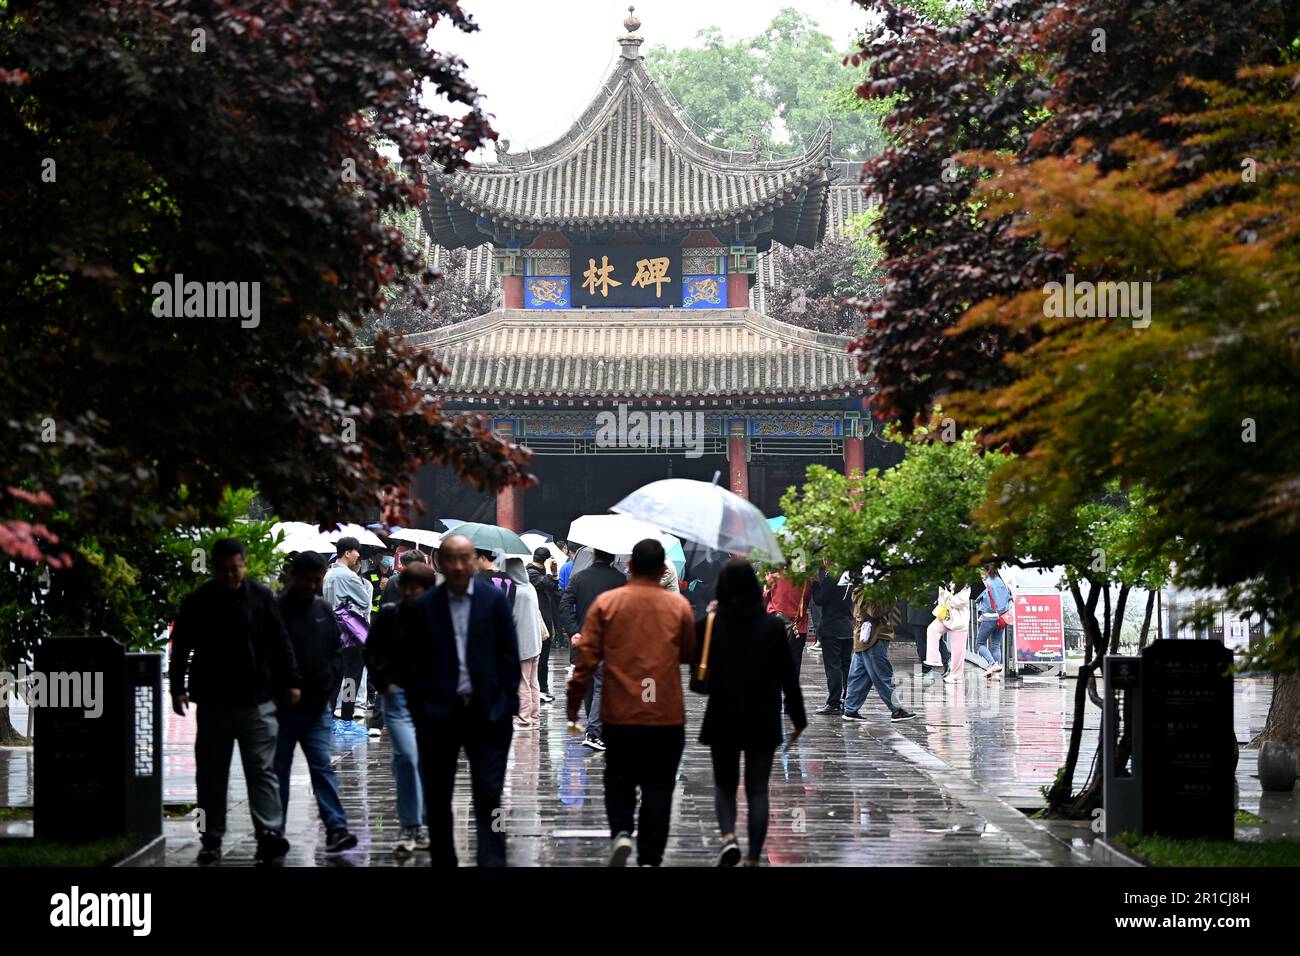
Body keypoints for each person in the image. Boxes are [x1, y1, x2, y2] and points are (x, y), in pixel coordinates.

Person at [169, 538, 302, 865]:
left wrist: (291, 681)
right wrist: (177, 689)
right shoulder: (199, 602)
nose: (231, 574)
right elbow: (182, 646)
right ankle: (210, 837)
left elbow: (280, 640)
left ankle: (269, 833)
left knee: (262, 770)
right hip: (214, 702)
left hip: (256, 700)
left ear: (244, 564)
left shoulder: (260, 597)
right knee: (211, 775)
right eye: (225, 569)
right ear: (214, 568)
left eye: (236, 567)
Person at [566, 538, 696, 867]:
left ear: (631, 567)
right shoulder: (678, 607)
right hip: (665, 712)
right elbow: (688, 653)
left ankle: (622, 830)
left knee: (619, 776)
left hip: (619, 709)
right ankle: (650, 856)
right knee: (659, 785)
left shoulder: (608, 604)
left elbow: (586, 660)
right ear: (662, 570)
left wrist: (573, 705)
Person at [402, 533, 520, 867]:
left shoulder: (492, 601)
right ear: (439, 562)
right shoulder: (425, 606)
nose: (457, 566)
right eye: (450, 559)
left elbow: (508, 657)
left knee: (489, 792)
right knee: (438, 796)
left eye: (464, 558)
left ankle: (493, 858)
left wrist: (506, 704)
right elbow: (412, 663)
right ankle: (444, 858)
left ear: (473, 562)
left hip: (486, 712)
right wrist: (420, 709)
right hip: (439, 715)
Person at [698, 559, 807, 866]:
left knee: (725, 784)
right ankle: (755, 857)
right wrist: (798, 719)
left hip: (723, 713)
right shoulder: (772, 626)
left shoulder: (713, 624)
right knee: (758, 789)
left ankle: (729, 838)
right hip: (763, 714)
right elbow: (789, 677)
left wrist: (707, 623)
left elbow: (691, 660)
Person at [274, 551, 357, 853]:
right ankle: (274, 832)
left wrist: (328, 688)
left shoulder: (322, 609)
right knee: (278, 770)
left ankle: (336, 828)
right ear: (294, 576)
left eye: (317, 579)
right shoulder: (277, 611)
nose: (312, 585)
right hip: (283, 708)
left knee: (322, 767)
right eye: (307, 579)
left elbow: (334, 652)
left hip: (316, 706)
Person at [366, 561, 436, 854]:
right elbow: (371, 651)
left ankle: (421, 823)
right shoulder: (390, 616)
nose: (414, 593)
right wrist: (385, 684)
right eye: (410, 587)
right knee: (407, 757)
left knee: (420, 763)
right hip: (398, 699)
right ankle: (410, 825)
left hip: (429, 702)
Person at [559, 548, 626, 752]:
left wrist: (572, 631)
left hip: (584, 638)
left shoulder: (580, 577)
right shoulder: (620, 579)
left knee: (590, 684)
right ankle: (594, 732)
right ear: (613, 557)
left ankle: (594, 726)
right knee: (600, 685)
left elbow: (564, 603)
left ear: (594, 555)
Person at [842, 588, 915, 723]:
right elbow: (875, 612)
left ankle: (850, 709)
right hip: (874, 636)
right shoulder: (868, 590)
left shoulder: (862, 588)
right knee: (883, 675)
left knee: (859, 675)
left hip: (865, 637)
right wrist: (890, 597)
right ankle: (897, 710)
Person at [324, 536, 372, 722]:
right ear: (347, 552)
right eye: (356, 551)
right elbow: (365, 602)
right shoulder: (348, 575)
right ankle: (346, 716)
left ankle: (330, 714)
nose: (358, 555)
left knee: (336, 675)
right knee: (352, 676)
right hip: (351, 632)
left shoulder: (329, 574)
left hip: (333, 630)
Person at [811, 561, 854, 715]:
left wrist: (815, 583)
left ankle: (833, 702)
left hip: (832, 628)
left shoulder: (831, 579)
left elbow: (819, 599)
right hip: (847, 627)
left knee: (833, 667)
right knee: (846, 666)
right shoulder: (850, 578)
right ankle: (848, 699)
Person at [507, 557, 543, 730]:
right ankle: (534, 718)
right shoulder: (530, 588)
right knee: (533, 682)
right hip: (535, 643)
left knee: (522, 682)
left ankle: (523, 719)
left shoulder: (516, 591)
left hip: (522, 644)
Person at [527, 548, 561, 702]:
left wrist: (554, 573)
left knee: (544, 658)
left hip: (546, 620)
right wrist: (548, 571)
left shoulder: (542, 573)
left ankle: (544, 688)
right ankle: (538, 689)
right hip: (536, 622)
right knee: (539, 659)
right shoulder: (530, 573)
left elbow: (553, 588)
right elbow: (544, 584)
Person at [765, 573, 813, 678]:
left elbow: (765, 598)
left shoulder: (773, 577)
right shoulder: (805, 580)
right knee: (794, 663)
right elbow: (807, 599)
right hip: (798, 627)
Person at [929, 582, 972, 684]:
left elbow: (961, 602)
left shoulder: (965, 585)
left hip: (959, 621)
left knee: (958, 651)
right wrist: (944, 595)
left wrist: (948, 596)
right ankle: (934, 658)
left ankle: (956, 676)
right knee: (932, 629)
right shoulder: (944, 582)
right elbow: (941, 598)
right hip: (946, 617)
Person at [975, 566, 1013, 678]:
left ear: (986, 571)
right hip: (1002, 618)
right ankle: (996, 675)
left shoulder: (985, 584)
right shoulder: (1003, 582)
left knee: (980, 644)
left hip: (989, 617)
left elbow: (978, 599)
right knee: (996, 645)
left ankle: (992, 664)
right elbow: (1009, 598)